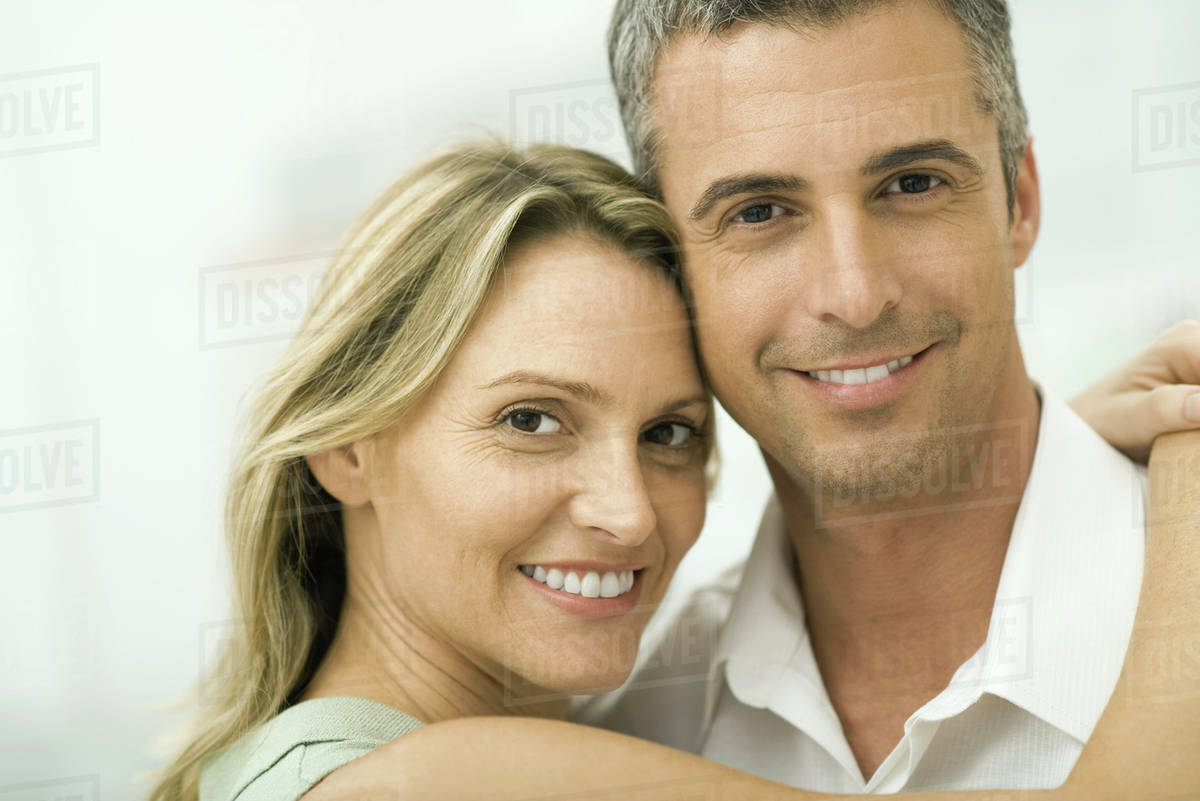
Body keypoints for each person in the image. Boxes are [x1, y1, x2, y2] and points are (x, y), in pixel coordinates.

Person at [147, 139, 1197, 801]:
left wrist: (1038, 458)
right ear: (348, 446)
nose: (628, 515)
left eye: (670, 436)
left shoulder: (348, 757)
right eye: (530, 419)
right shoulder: (420, 780)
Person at [570, 0, 1200, 792]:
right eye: (759, 212)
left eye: (911, 183)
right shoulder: (625, 730)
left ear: (1021, 201)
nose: (856, 294)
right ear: (669, 269)